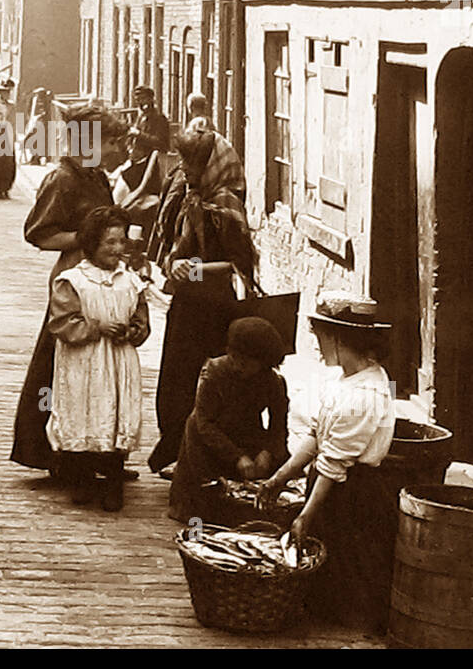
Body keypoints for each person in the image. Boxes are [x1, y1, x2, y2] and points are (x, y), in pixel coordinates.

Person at [256, 292, 397, 633]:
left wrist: (306, 515)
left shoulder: (364, 395)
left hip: (354, 493)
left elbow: (334, 464)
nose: (316, 345)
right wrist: (278, 478)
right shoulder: (341, 381)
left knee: (350, 569)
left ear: (336, 338)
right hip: (330, 485)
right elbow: (317, 438)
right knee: (325, 569)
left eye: (319, 337)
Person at [11, 105, 131, 473]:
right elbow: (38, 234)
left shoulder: (98, 177)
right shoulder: (62, 179)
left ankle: (99, 453)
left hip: (105, 282)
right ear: (92, 142)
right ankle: (54, 454)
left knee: (103, 369)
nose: (118, 148)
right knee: (61, 369)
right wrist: (85, 239)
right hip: (75, 284)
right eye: (113, 141)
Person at [146, 126, 254, 476]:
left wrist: (191, 270)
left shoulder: (225, 201)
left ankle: (196, 459)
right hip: (187, 308)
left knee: (201, 385)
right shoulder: (190, 195)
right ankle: (178, 451)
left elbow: (240, 266)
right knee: (175, 383)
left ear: (210, 164)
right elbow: (173, 247)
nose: (184, 169)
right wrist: (175, 265)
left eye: (191, 162)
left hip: (215, 311)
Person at [46, 205, 150, 511]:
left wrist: (131, 331)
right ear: (92, 245)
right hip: (85, 362)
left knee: (116, 414)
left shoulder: (130, 282)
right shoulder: (73, 281)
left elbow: (142, 321)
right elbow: (62, 323)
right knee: (85, 413)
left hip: (119, 363)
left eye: (121, 242)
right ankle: (82, 478)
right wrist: (97, 327)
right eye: (109, 243)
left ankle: (113, 480)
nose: (117, 249)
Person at [167, 317, 289, 524]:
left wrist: (267, 452)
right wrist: (237, 457)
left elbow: (279, 427)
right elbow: (204, 423)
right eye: (233, 357)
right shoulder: (213, 372)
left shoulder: (273, 383)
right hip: (207, 440)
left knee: (268, 493)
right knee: (200, 507)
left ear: (263, 362)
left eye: (244, 362)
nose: (236, 365)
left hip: (247, 434)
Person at [112, 128, 170, 245]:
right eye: (129, 146)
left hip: (137, 210)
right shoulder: (130, 167)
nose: (130, 150)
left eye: (134, 148)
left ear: (143, 151)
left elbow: (119, 197)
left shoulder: (131, 173)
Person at [133, 85, 171, 152]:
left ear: (151, 99)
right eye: (137, 100)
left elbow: (161, 142)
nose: (140, 103)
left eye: (143, 99)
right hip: (139, 157)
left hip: (153, 158)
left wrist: (139, 134)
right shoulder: (140, 117)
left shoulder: (159, 118)